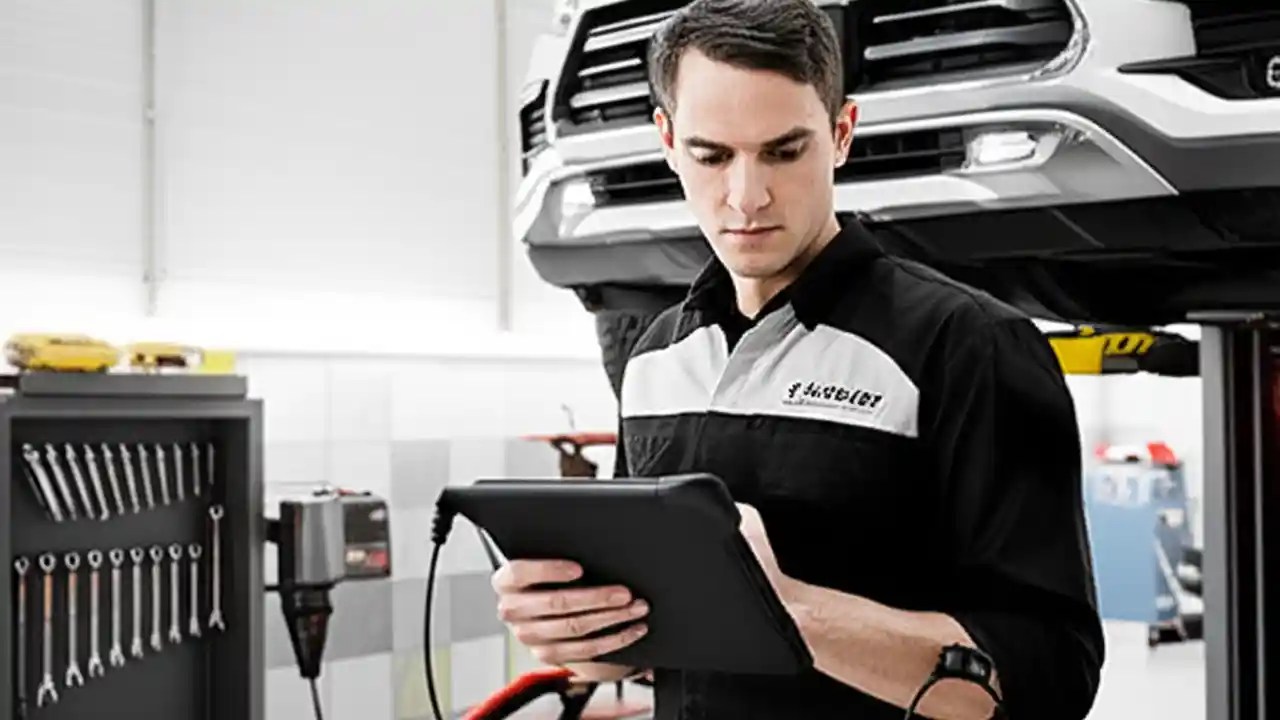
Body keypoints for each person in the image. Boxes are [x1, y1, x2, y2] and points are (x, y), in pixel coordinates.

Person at [490, 1, 1106, 717]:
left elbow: (1051, 675)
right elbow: (650, 633)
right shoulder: (657, 356)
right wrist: (580, 628)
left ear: (841, 133)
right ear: (666, 141)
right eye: (711, 155)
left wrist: (789, 611)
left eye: (784, 151)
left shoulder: (968, 346)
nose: (746, 197)